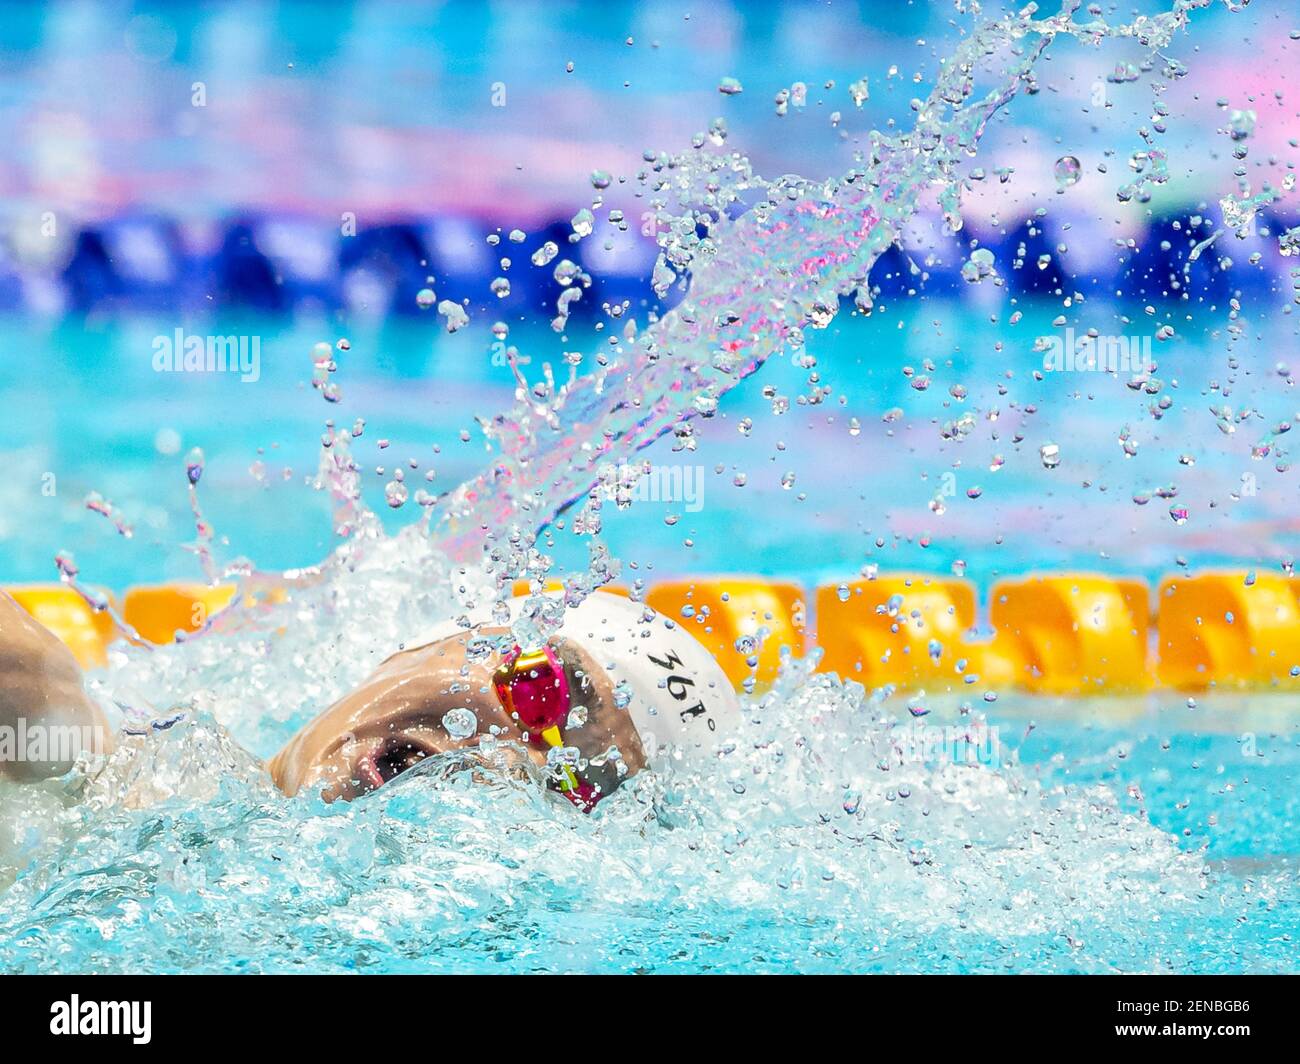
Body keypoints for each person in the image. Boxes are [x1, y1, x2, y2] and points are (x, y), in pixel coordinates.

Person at [0, 588, 741, 810]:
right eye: (541, 690)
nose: (512, 756)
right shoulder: (46, 726)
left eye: (580, 783)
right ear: (419, 647)